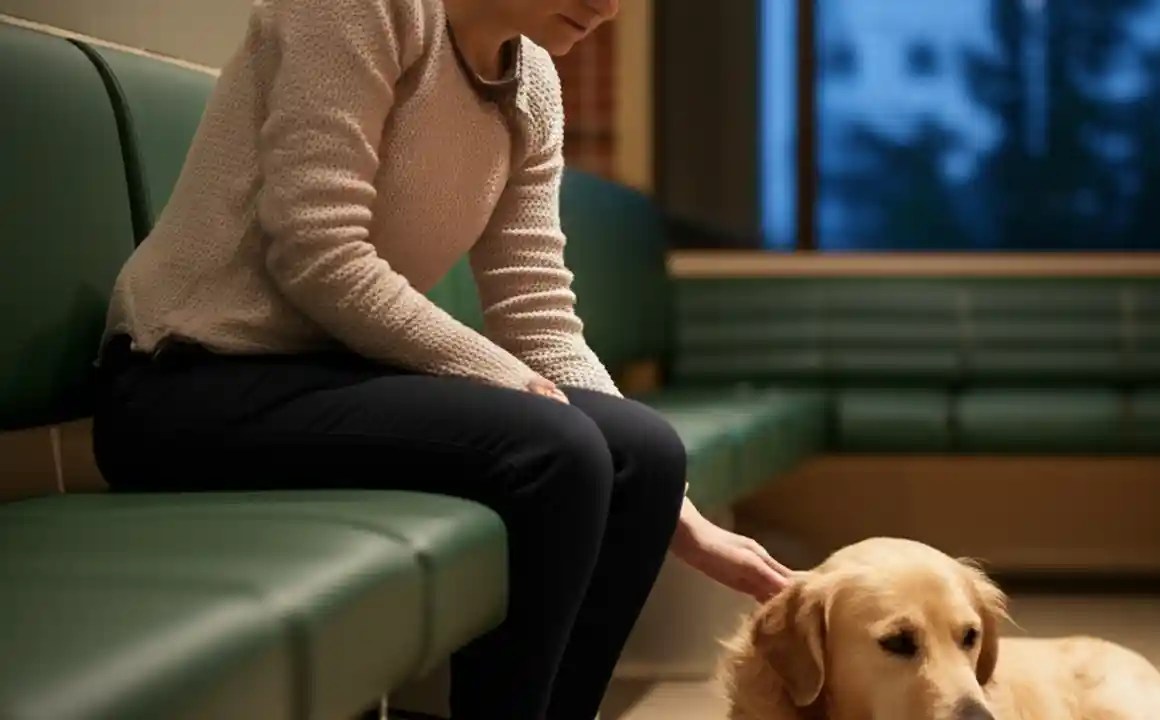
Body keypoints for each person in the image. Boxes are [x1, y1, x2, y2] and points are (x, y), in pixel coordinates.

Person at [91, 0, 793, 718]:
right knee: (560, 451)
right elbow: (317, 253)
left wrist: (685, 518)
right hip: (183, 378)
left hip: (323, 374)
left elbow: (539, 316)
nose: (609, 7)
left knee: (646, 454)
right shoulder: (362, 11)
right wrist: (510, 381)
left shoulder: (534, 85)